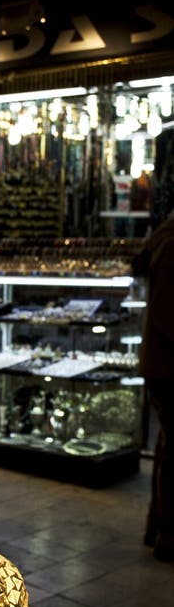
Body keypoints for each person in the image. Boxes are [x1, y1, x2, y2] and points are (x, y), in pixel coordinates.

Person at [136, 210, 174, 562]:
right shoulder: (172, 246)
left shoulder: (163, 239)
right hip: (168, 365)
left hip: (161, 363)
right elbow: (167, 315)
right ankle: (166, 534)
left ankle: (159, 527)